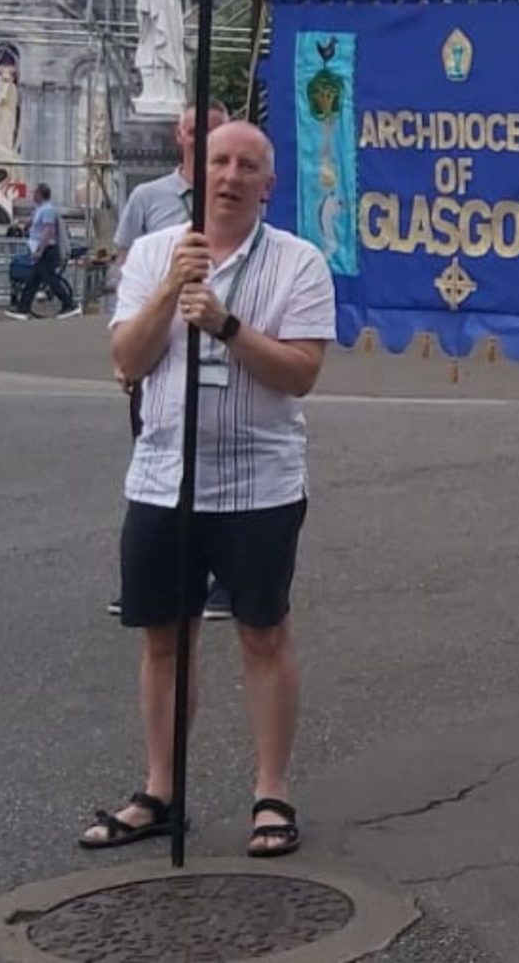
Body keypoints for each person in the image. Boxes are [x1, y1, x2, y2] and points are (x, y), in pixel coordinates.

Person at [81, 121, 335, 857]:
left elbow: (300, 372)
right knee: (164, 635)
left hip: (258, 481)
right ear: (198, 174)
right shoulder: (158, 253)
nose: (229, 176)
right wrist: (170, 288)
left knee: (263, 630)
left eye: (246, 165)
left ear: (267, 183)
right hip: (163, 477)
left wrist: (226, 324)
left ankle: (271, 789)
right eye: (218, 161)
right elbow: (128, 356)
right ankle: (160, 789)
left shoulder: (300, 263)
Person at [110, 102, 233, 620]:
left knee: (226, 454)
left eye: (214, 131)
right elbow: (123, 271)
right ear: (177, 137)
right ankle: (156, 577)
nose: (203, 139)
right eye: (195, 131)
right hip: (157, 340)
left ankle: (226, 575)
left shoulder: (239, 196)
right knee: (158, 457)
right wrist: (124, 342)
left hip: (222, 348)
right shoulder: (148, 198)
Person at [8, 182, 79, 319]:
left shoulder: (47, 210)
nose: (32, 195)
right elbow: (38, 226)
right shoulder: (41, 209)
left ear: (40, 194)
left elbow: (48, 230)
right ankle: (24, 308)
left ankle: (69, 304)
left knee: (49, 279)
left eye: (34, 193)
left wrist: (40, 249)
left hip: (47, 250)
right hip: (44, 249)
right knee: (34, 280)